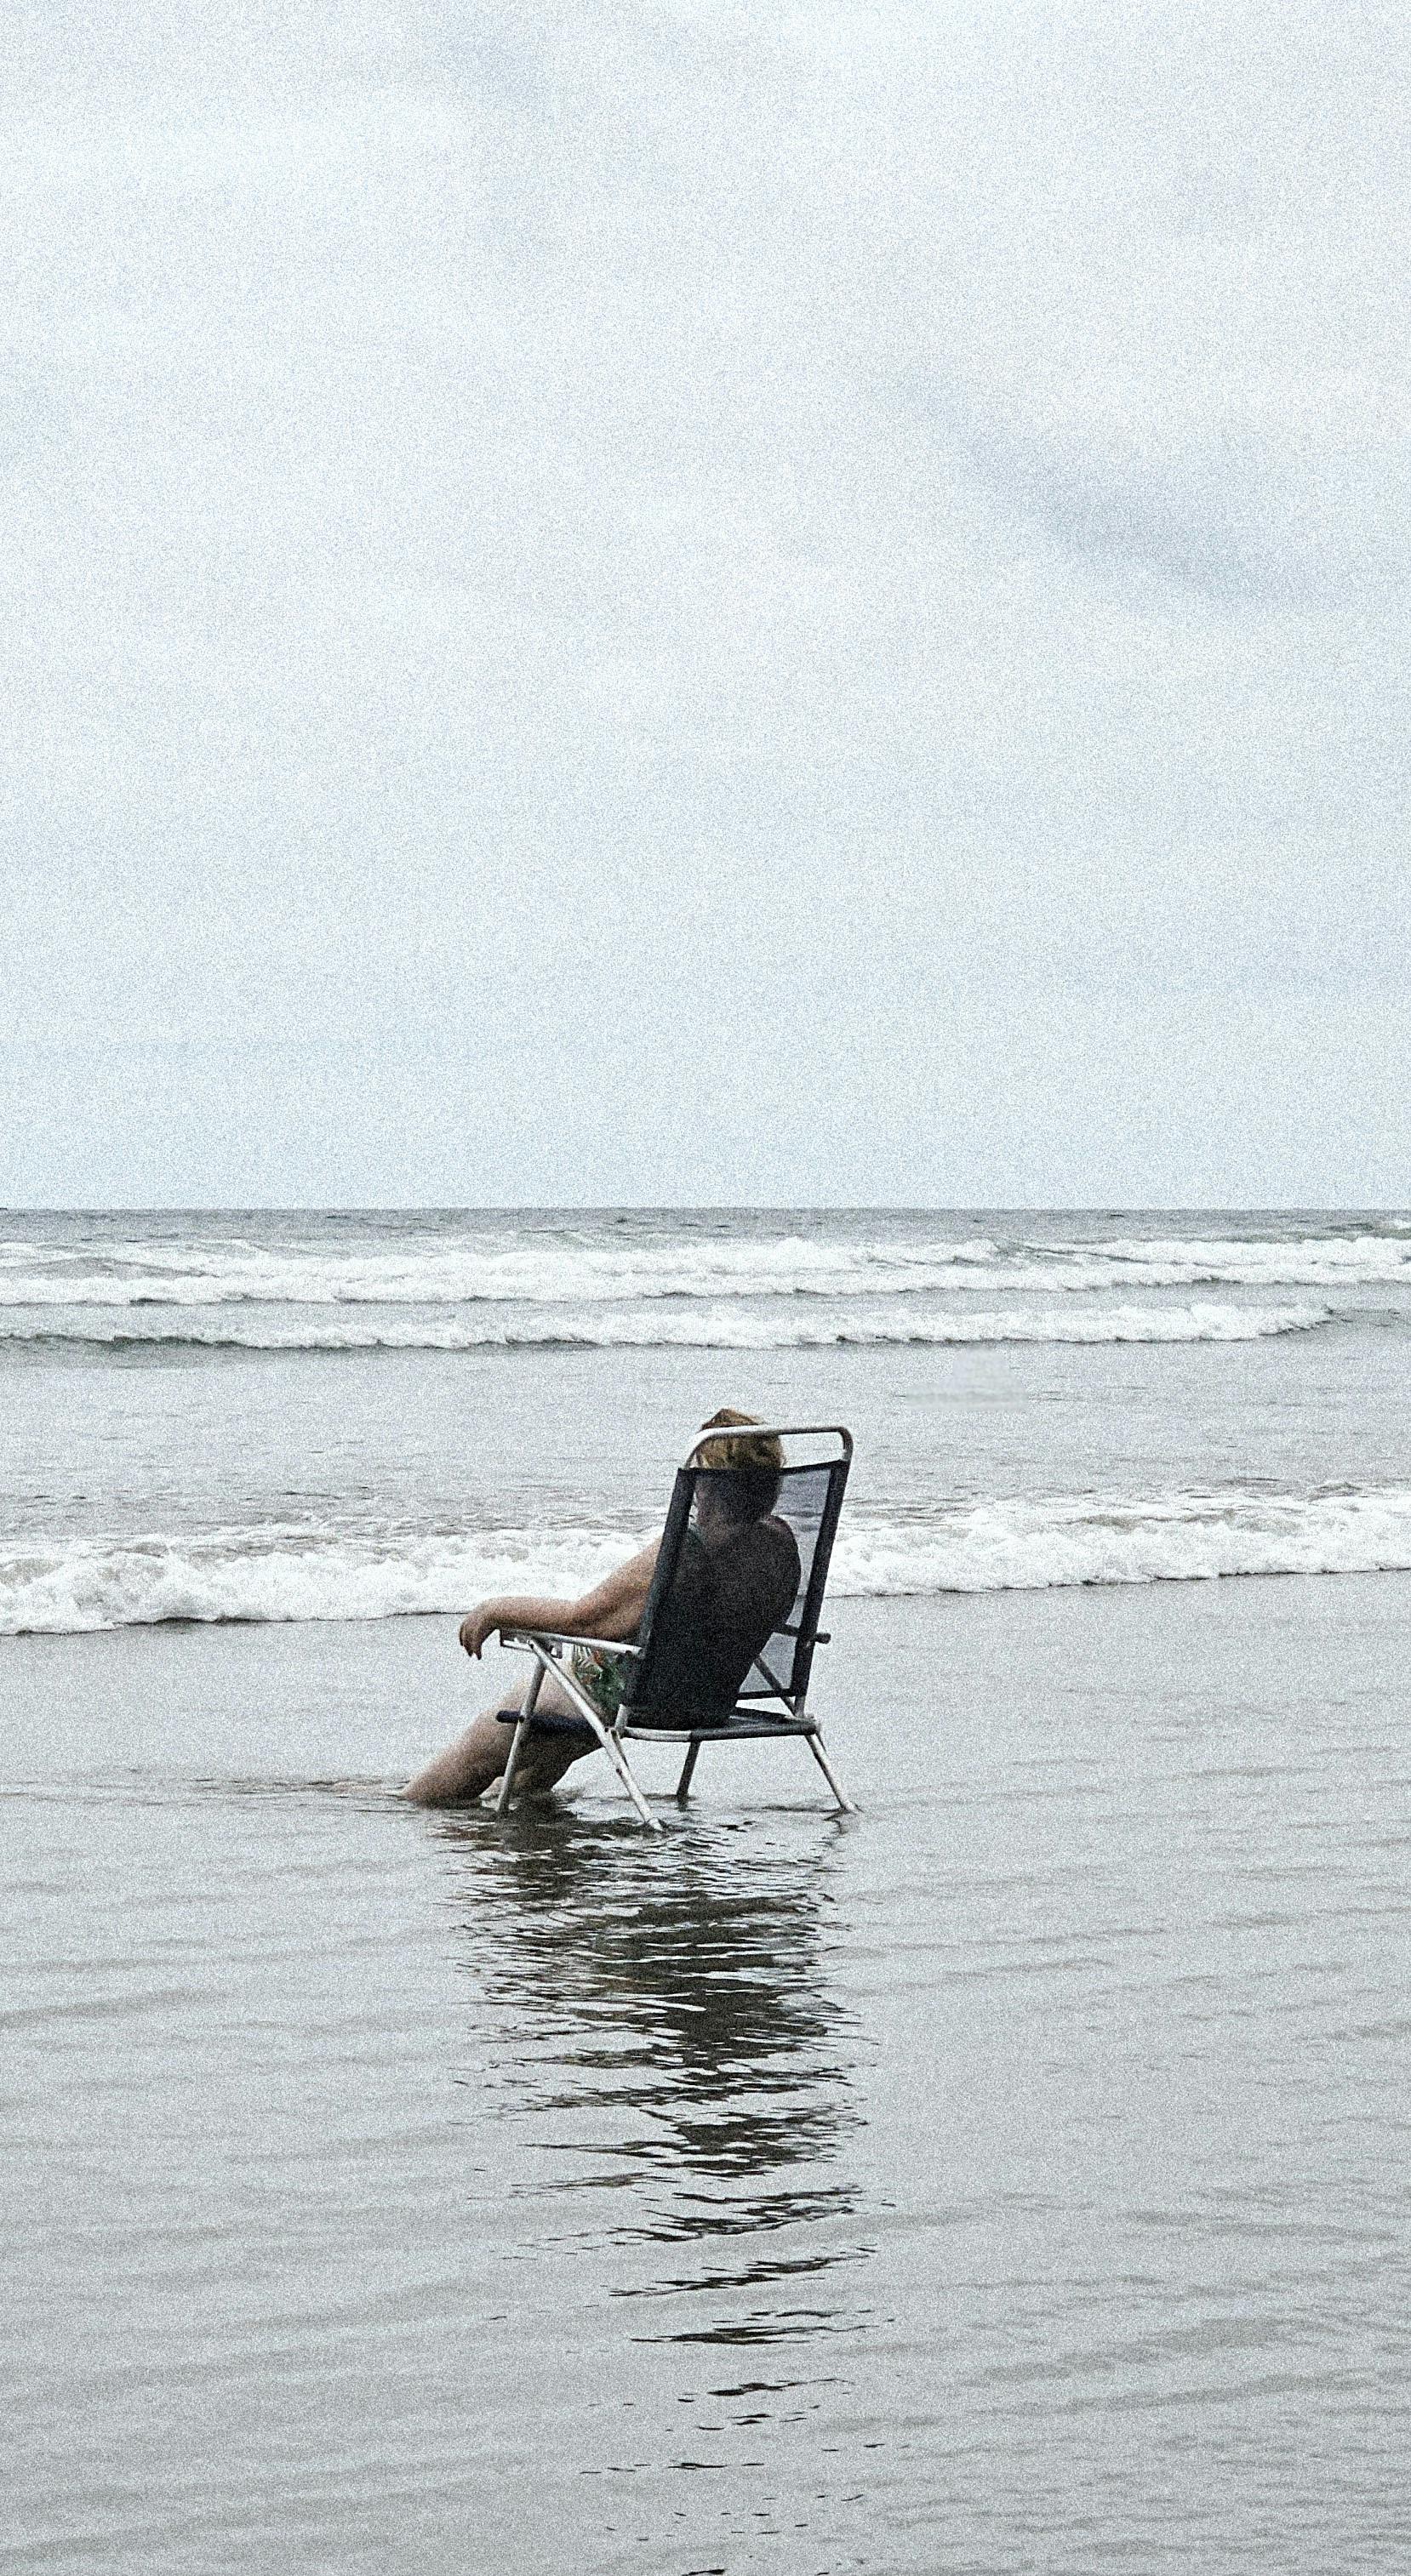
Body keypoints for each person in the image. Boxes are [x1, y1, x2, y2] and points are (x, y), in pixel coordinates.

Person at [403, 1410, 802, 1807]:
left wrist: (496, 1610)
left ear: (707, 1485)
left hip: (630, 1700)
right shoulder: (780, 1544)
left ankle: (411, 1808)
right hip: (707, 1701)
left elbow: (585, 1621)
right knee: (531, 1762)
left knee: (474, 1756)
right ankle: (522, 1812)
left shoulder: (686, 1551)